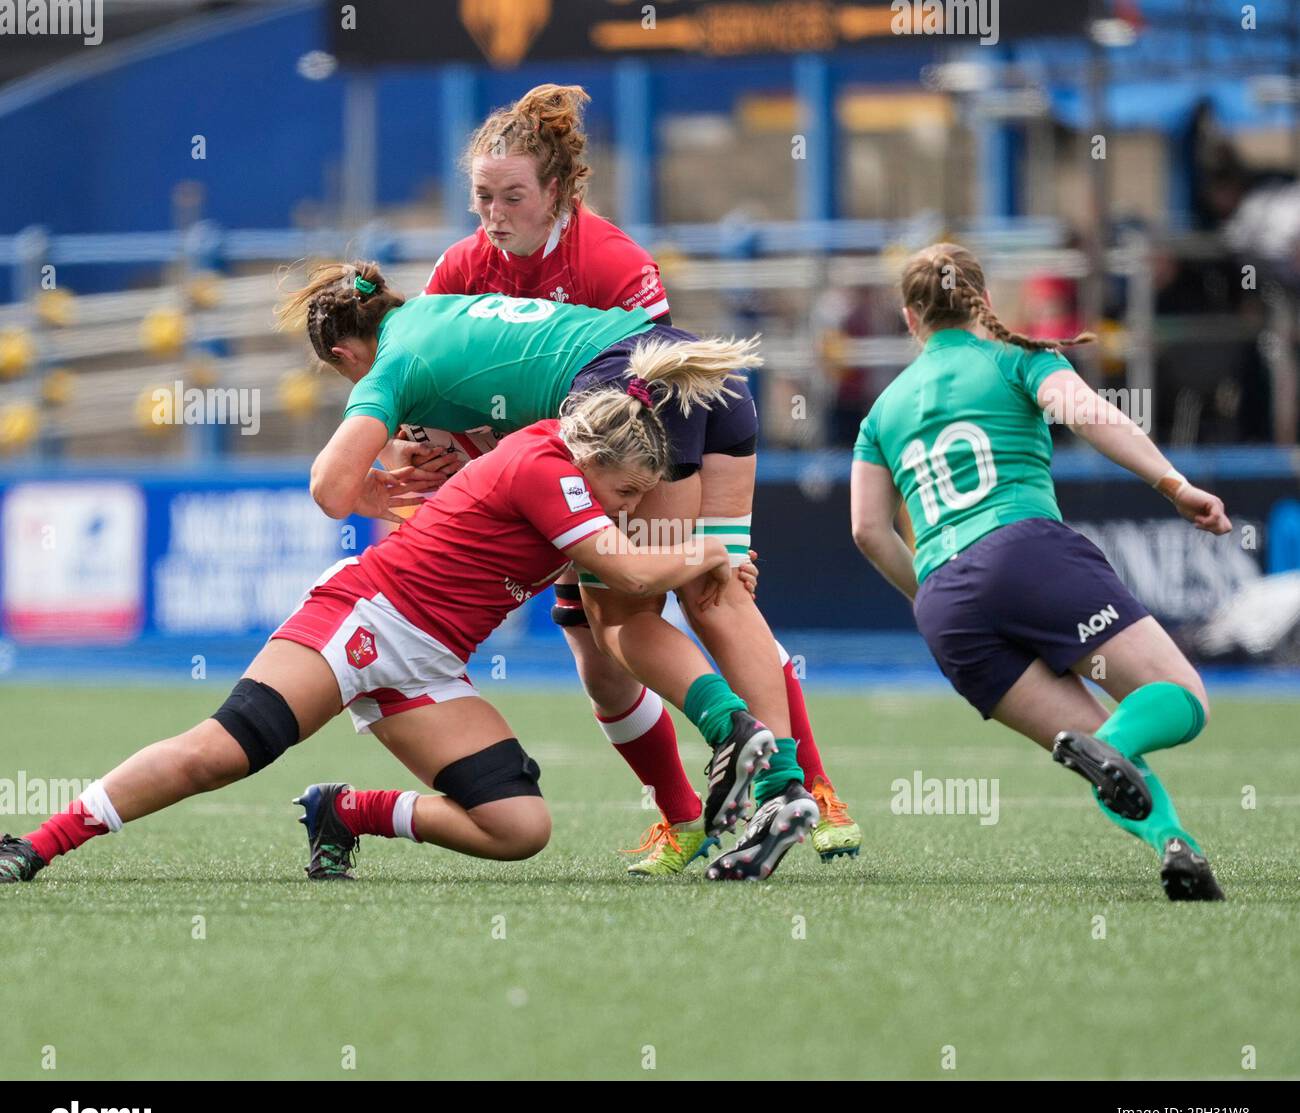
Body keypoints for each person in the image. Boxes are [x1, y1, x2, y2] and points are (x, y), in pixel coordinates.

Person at [0, 380, 788, 885]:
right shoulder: (548, 467)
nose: (625, 508)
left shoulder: (567, 468)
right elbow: (628, 573)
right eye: (624, 493)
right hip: (363, 619)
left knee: (520, 827)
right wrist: (713, 550)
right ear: (595, 463)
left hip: (430, 662)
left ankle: (345, 812)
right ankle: (37, 843)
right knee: (221, 751)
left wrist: (702, 561)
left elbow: (628, 562)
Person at [422, 82, 861, 870]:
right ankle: (697, 814)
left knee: (661, 606)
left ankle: (799, 783)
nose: (494, 213)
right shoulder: (459, 267)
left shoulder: (614, 261)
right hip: (591, 450)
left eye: (513, 195)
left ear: (558, 189)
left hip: (650, 433)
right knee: (606, 660)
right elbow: (444, 389)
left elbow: (657, 405)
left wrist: (692, 543)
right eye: (481, 196)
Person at [280, 263, 824, 879]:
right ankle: (784, 785)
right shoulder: (442, 307)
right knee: (718, 595)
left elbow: (330, 488)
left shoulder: (392, 361)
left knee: (621, 614)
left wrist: (376, 494)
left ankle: (731, 729)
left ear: (345, 352)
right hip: (696, 370)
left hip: (631, 389)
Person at [850, 243, 1231, 901]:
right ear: (985, 301)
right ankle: (1106, 743)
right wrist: (1173, 483)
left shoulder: (881, 411)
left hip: (947, 604)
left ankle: (1175, 842)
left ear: (912, 319)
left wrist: (929, 591)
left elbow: (866, 529)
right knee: (1182, 697)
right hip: (1026, 553)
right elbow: (1089, 413)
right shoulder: (1018, 357)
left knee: (1101, 757)